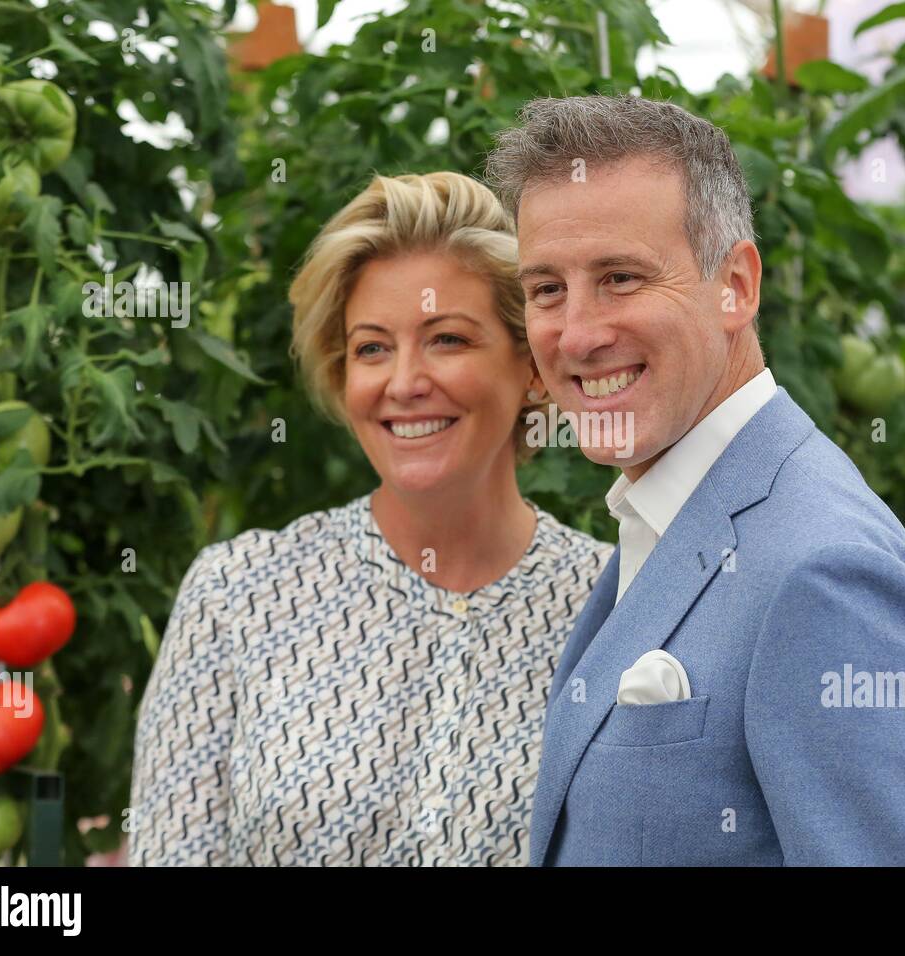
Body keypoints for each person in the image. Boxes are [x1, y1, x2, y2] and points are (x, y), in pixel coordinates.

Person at [486, 95, 905, 866]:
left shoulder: (826, 572)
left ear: (737, 286)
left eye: (620, 278)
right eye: (547, 289)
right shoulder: (671, 510)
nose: (577, 334)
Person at [128, 171, 613, 866]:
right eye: (372, 348)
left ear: (533, 362)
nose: (404, 382)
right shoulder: (238, 594)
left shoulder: (611, 609)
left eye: (446, 339)